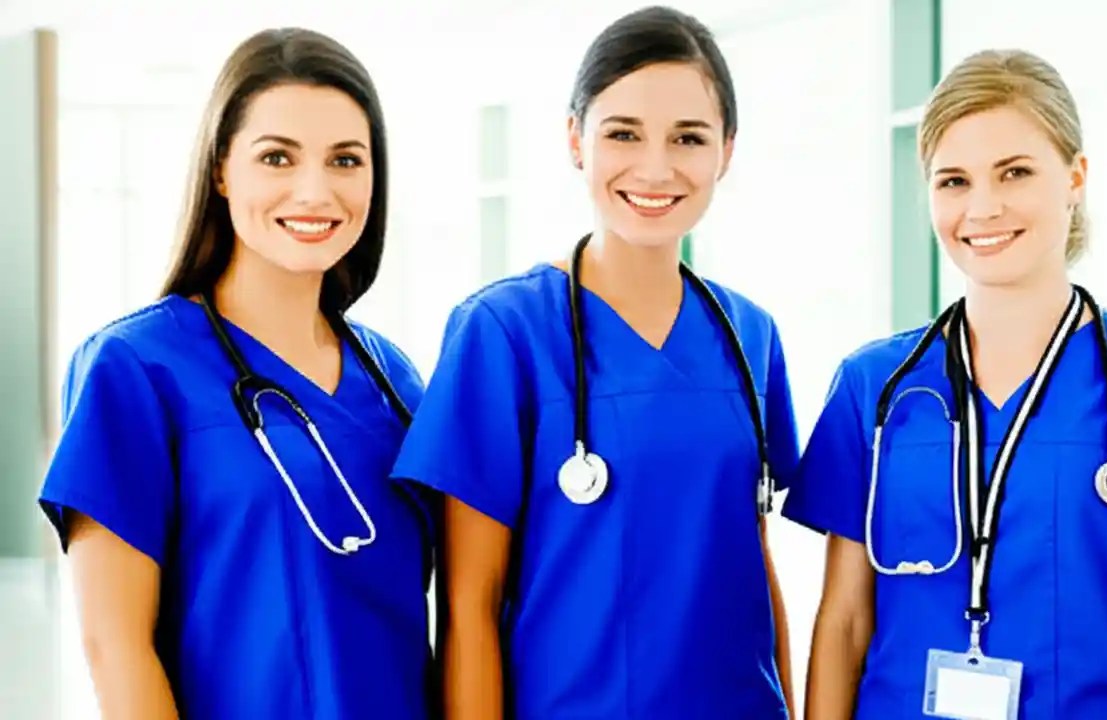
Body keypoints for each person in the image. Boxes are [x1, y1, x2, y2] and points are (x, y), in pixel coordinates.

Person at [783, 48, 1107, 720]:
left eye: (1014, 173)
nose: (983, 207)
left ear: (1075, 176)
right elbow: (841, 626)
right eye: (953, 181)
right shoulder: (875, 386)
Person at [391, 6, 800, 718]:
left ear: (726, 152)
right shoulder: (504, 332)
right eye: (623, 134)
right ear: (576, 140)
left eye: (689, 138)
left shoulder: (749, 334)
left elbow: (755, 565)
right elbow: (467, 603)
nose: (656, 167)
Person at [37, 28, 435, 720]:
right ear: (221, 170)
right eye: (277, 157)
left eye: (346, 159)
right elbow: (116, 647)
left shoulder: (393, 378)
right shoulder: (136, 370)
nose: (315, 190)